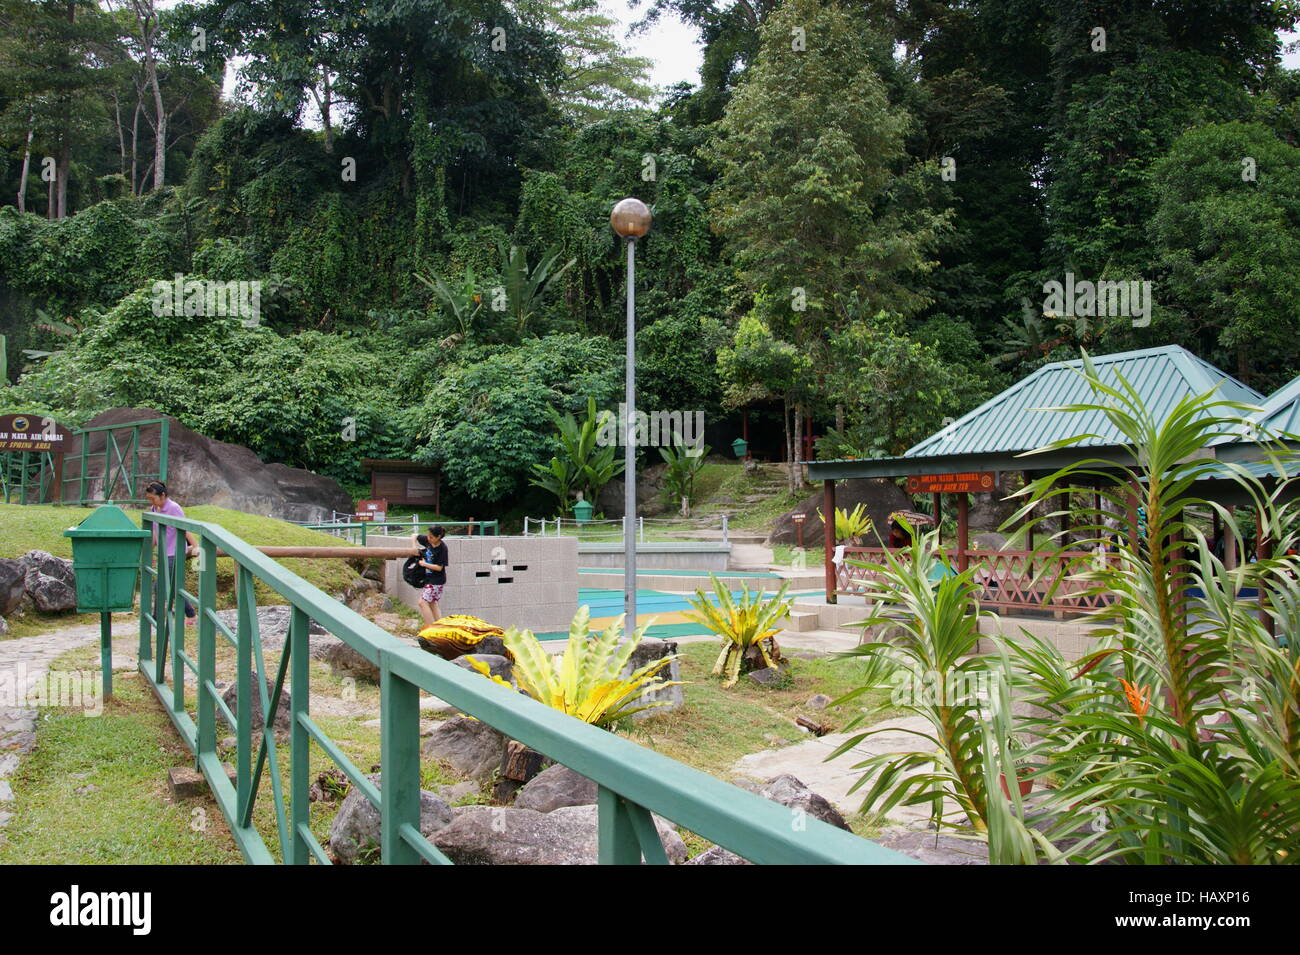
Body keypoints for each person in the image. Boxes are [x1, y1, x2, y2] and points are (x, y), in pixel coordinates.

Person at [144, 481, 198, 626]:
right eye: (149, 499)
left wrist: (196, 547)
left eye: (153, 498)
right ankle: (190, 614)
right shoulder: (155, 509)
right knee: (172, 586)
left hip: (175, 552)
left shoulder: (174, 508)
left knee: (163, 585)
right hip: (163, 552)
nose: (151, 502)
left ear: (162, 496)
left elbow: (186, 529)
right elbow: (155, 532)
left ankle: (158, 617)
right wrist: (149, 551)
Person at [409, 525, 449, 626]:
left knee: (422, 602)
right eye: (428, 536)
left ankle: (430, 627)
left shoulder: (443, 548)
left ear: (438, 537)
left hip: (437, 580)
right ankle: (440, 627)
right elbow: (414, 535)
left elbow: (440, 567)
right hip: (430, 579)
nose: (429, 538)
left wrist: (425, 564)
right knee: (432, 603)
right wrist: (414, 546)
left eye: (431, 537)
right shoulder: (428, 541)